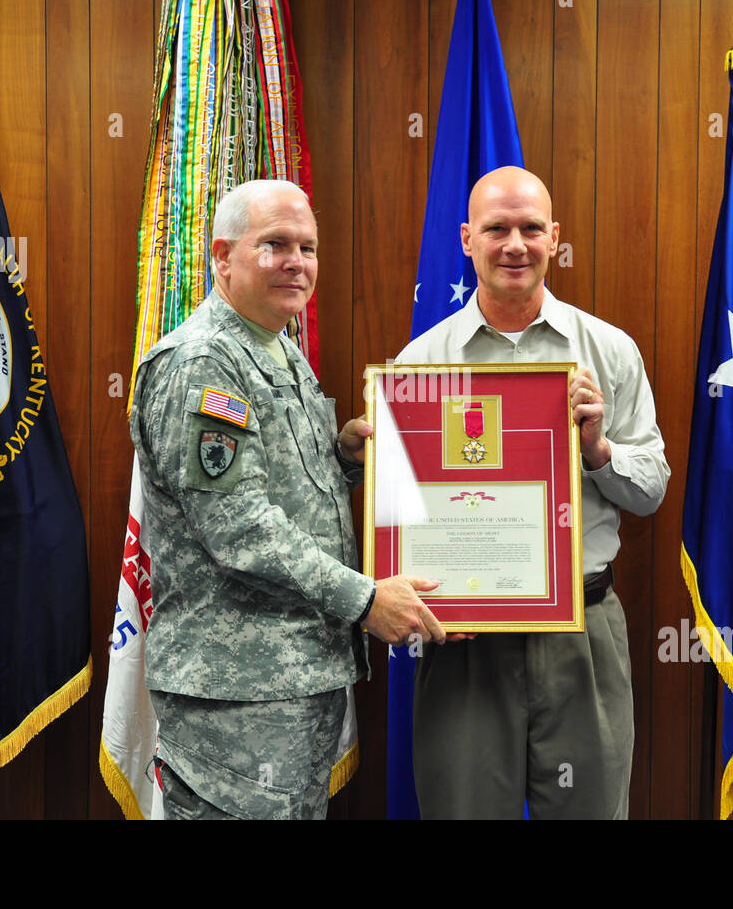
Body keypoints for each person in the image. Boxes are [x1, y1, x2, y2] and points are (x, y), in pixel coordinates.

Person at [131, 179, 444, 820]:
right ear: (222, 256)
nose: (296, 262)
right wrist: (364, 600)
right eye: (274, 244)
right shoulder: (203, 361)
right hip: (237, 696)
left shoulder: (273, 343)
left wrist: (346, 461)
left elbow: (279, 488)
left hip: (291, 680)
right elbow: (238, 526)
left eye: (308, 247)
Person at [396, 166, 670, 819]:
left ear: (555, 237)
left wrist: (599, 449)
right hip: (465, 643)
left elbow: (652, 489)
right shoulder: (420, 365)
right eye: (496, 229)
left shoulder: (609, 351)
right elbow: (401, 520)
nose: (514, 244)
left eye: (529, 228)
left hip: (583, 628)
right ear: (467, 238)